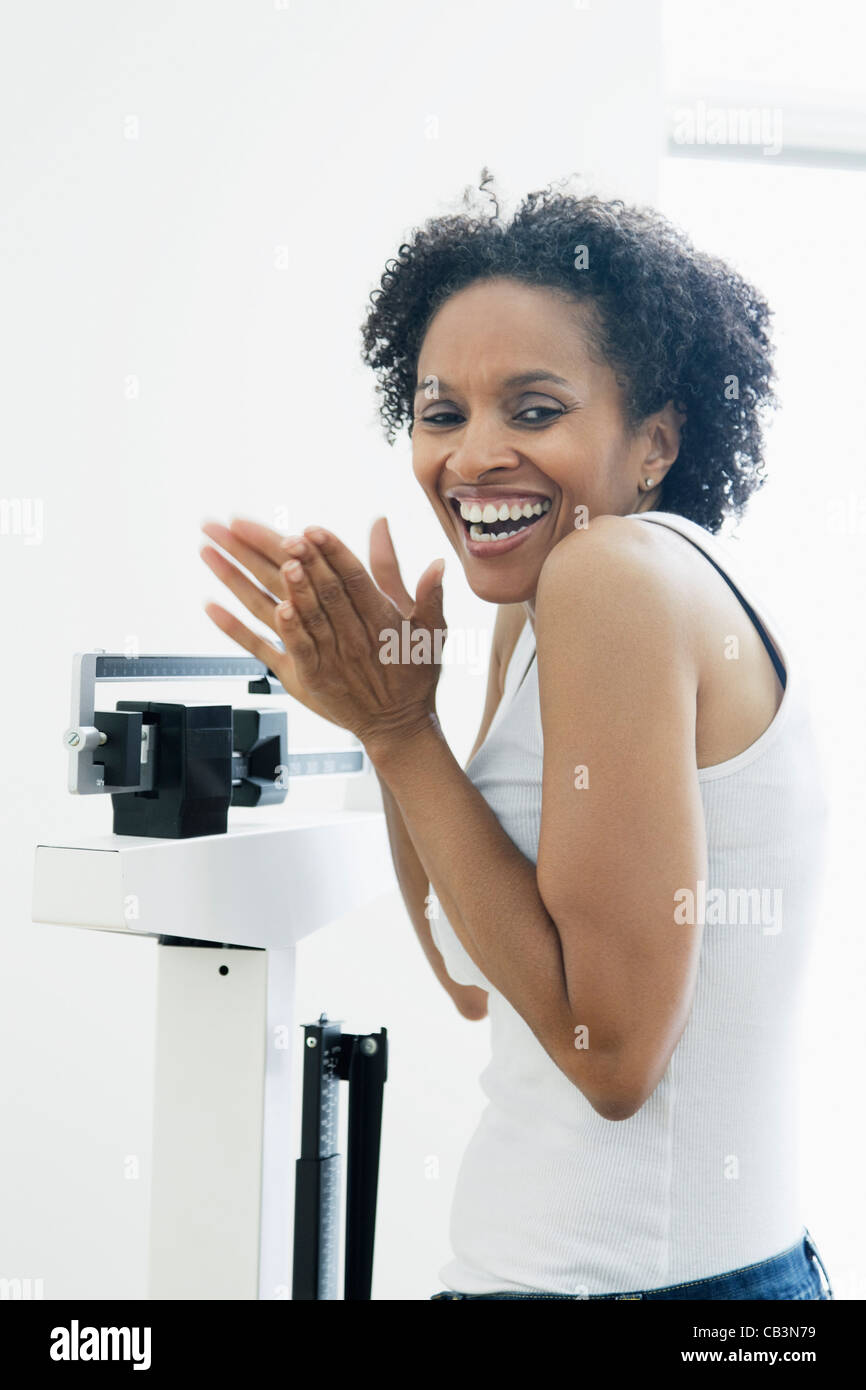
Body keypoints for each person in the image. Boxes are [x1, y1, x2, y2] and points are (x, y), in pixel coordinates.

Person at [199, 173, 834, 1300]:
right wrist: (396, 715)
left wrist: (399, 736)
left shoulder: (612, 578)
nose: (472, 453)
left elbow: (611, 1058)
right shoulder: (563, 599)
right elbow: (469, 970)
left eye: (532, 410)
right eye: (440, 412)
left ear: (653, 441)